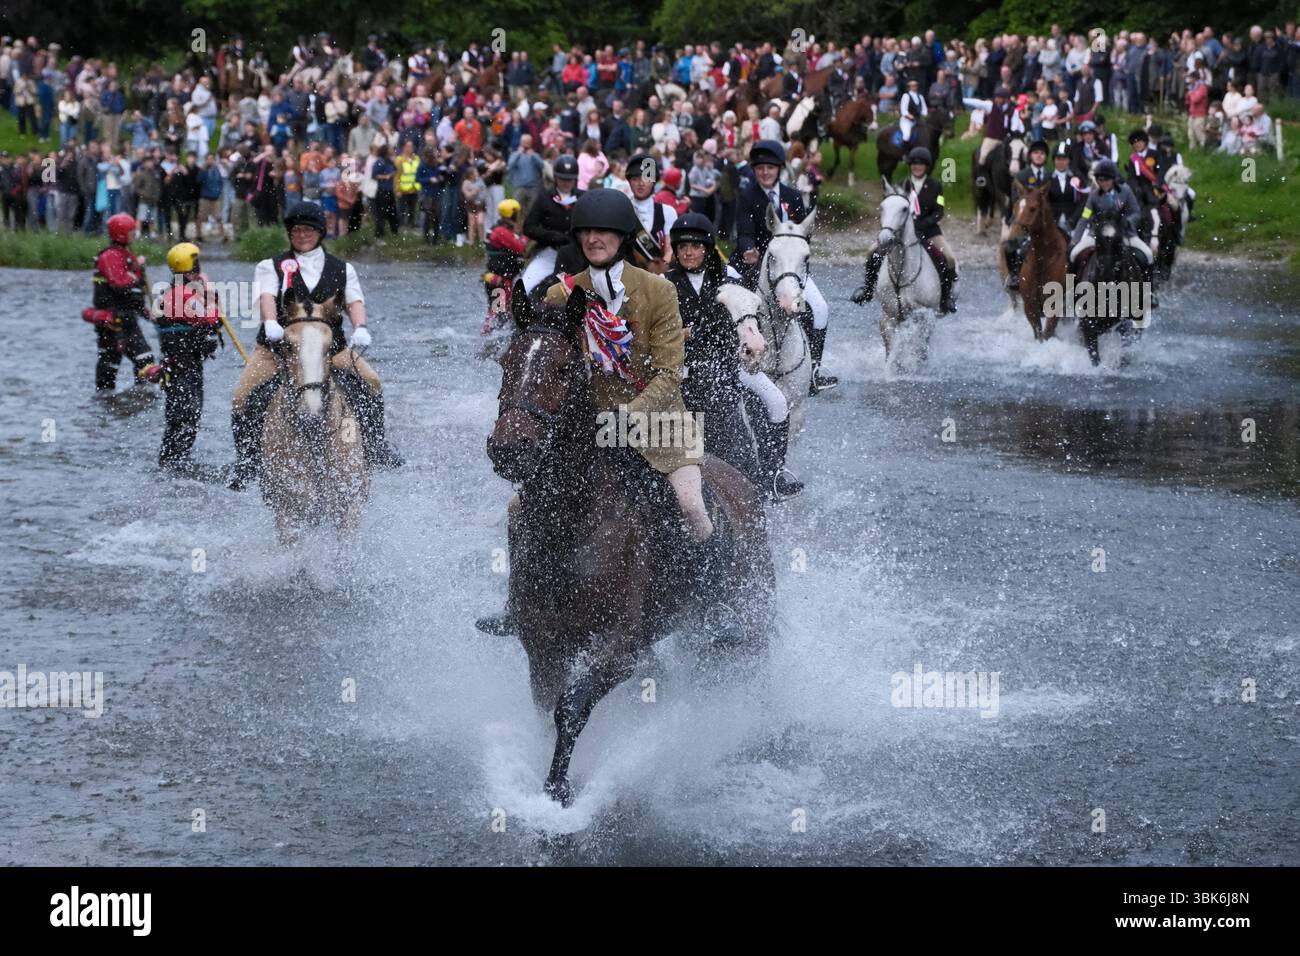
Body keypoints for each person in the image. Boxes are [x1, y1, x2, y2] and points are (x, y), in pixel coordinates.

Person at [229, 201, 401, 490]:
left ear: (320, 232)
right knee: (241, 397)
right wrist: (271, 322)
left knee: (372, 381)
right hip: (278, 352)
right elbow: (268, 297)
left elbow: (354, 301)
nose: (302, 234)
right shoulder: (269, 266)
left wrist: (360, 327)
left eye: (308, 229)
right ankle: (247, 462)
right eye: (296, 230)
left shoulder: (342, 268)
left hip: (331, 351)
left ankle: (375, 446)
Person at [665, 213, 802, 501]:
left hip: (726, 363)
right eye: (682, 248)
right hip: (683, 367)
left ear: (707, 249)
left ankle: (773, 473)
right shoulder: (663, 284)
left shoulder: (730, 278)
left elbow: (750, 320)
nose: (688, 252)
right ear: (676, 251)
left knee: (776, 401)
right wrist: (688, 333)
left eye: (695, 246)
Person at [734, 139, 836, 393]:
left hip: (791, 271)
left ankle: (814, 369)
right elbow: (744, 232)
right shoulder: (747, 197)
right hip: (757, 267)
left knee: (820, 309)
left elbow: (803, 236)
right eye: (760, 168)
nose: (765, 172)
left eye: (770, 168)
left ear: (779, 169)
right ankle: (736, 364)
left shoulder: (792, 196)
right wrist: (748, 249)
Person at [851, 146, 958, 315]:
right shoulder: (900, 185)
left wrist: (923, 223)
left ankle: (946, 298)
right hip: (900, 232)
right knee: (871, 252)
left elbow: (939, 210)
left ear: (926, 166)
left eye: (921, 164)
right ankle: (867, 289)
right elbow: (892, 210)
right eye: (914, 163)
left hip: (929, 231)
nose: (917, 167)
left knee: (949, 258)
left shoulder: (936, 186)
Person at [154, 242, 224, 475]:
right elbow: (212, 319)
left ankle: (172, 466)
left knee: (180, 422)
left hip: (182, 370)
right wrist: (212, 296)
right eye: (196, 266)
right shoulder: (183, 295)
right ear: (189, 269)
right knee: (185, 422)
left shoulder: (174, 292)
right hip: (184, 372)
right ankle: (174, 470)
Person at [80, 213, 163, 392]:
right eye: (132, 231)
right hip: (113, 323)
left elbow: (132, 296)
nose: (135, 234)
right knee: (112, 365)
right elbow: (119, 283)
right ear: (122, 233)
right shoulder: (110, 256)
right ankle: (111, 402)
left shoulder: (125, 255)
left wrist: (147, 313)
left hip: (127, 319)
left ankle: (138, 400)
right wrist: (136, 268)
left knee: (144, 361)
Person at [1068, 159, 1155, 293]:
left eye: (1107, 180)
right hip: (1097, 235)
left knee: (1148, 255)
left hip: (1124, 234)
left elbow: (1136, 212)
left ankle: (1149, 292)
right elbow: (1085, 217)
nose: (1103, 183)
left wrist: (1128, 222)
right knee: (1073, 254)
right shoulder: (1093, 196)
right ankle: (1072, 291)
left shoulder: (1125, 191)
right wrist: (1075, 239)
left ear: (1114, 179)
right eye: (1100, 180)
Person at [520, 153, 581, 292]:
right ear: (555, 177)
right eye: (562, 179)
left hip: (578, 255)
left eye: (569, 180)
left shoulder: (583, 198)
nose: (566, 183)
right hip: (550, 253)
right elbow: (528, 227)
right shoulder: (544, 198)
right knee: (525, 286)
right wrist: (552, 235)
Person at [483, 198, 527, 333]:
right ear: (512, 214)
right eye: (517, 213)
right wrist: (527, 235)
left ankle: (494, 334)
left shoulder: (501, 228)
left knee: (502, 311)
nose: (519, 216)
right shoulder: (501, 231)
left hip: (501, 278)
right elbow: (520, 247)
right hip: (499, 280)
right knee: (498, 312)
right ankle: (488, 337)